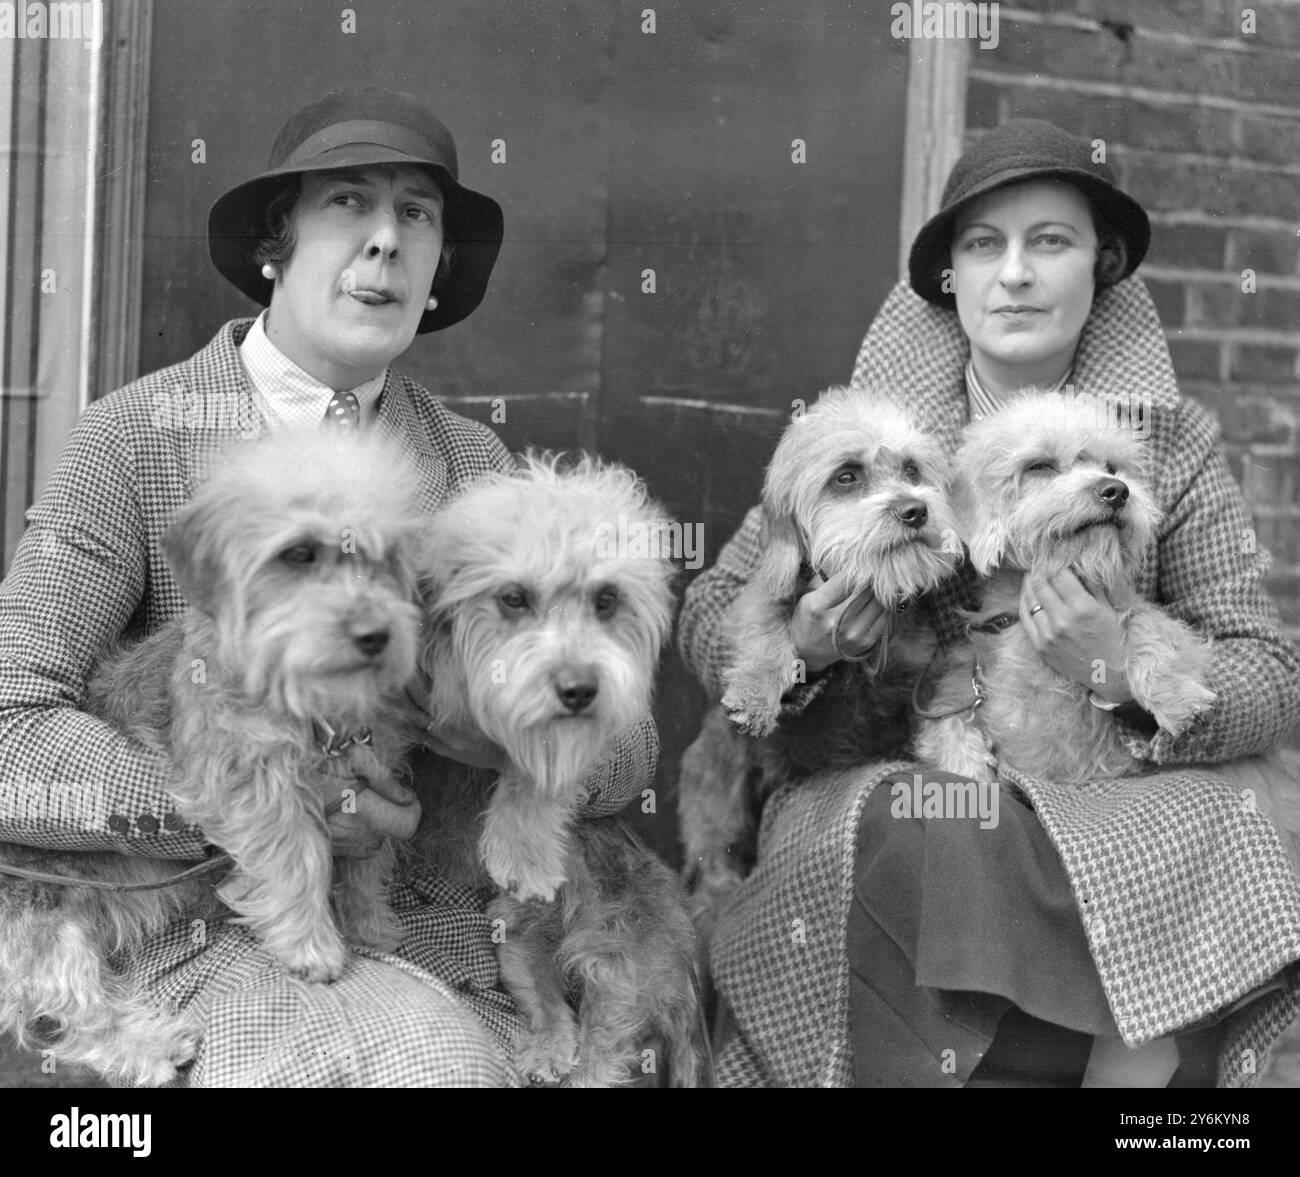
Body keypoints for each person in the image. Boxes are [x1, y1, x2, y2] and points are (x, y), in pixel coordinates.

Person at [0, 86, 656, 1087]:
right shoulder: (132, 438)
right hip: (202, 930)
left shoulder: (471, 463)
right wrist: (247, 799)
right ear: (278, 241)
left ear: (437, 271)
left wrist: (493, 725)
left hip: (436, 932)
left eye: (417, 217)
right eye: (349, 202)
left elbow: (626, 755)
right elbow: (11, 726)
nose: (385, 242)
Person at [678, 119, 1300, 1088]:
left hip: (1106, 788)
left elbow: (1268, 671)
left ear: (1100, 268)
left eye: (1048, 242)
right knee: (922, 817)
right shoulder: (867, 434)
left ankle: (1129, 1056)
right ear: (948, 281)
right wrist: (803, 643)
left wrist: (1111, 665)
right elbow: (711, 611)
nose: (1014, 274)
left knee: (1228, 825)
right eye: (983, 245)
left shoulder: (1170, 448)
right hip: (907, 790)